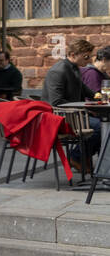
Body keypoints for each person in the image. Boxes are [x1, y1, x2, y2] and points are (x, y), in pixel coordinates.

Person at [43, 38, 100, 166]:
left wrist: (98, 96)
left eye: (90, 57)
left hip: (73, 114)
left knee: (104, 124)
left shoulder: (74, 67)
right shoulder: (58, 71)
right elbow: (56, 102)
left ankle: (87, 159)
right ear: (73, 55)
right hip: (60, 117)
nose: (89, 60)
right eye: (86, 57)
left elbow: (83, 88)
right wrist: (84, 107)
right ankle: (77, 157)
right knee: (101, 127)